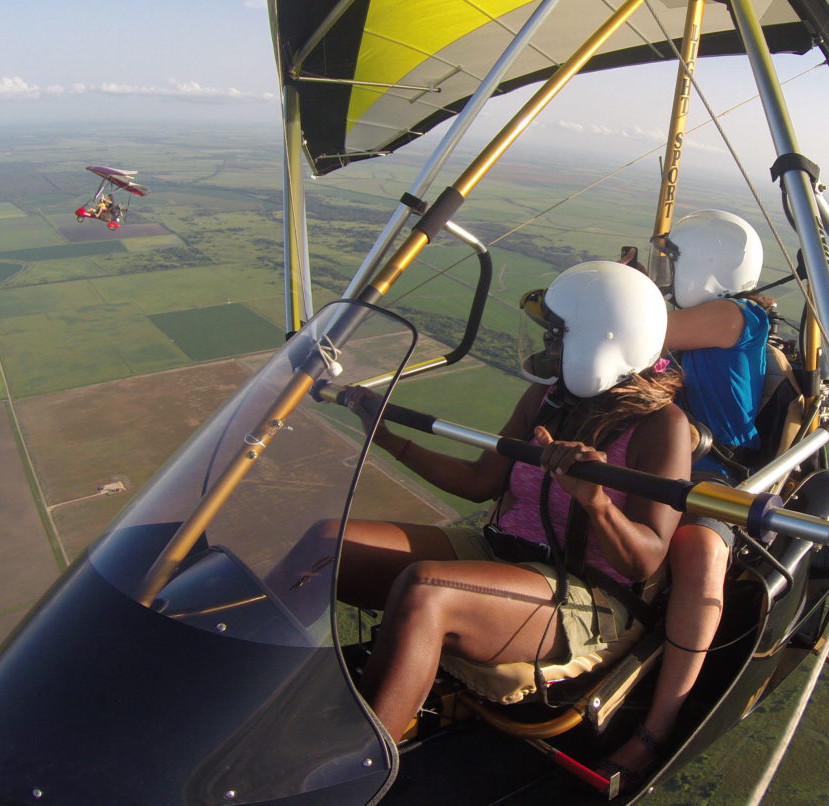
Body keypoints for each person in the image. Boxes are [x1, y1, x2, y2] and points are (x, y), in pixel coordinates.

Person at [267, 261, 693, 742]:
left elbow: (643, 561)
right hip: (503, 550)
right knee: (326, 544)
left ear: (604, 341)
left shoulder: (663, 427)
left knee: (428, 590)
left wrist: (597, 504)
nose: (549, 347)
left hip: (589, 597)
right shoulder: (549, 399)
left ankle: (354, 763)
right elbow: (479, 481)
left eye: (557, 336)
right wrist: (387, 438)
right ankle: (249, 687)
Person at [604, 209, 773, 779]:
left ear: (709, 263)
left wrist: (622, 293)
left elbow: (645, 332)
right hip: (654, 444)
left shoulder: (733, 315)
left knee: (700, 554)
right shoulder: (698, 313)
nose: (668, 269)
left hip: (711, 467)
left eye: (675, 259)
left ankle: (659, 725)